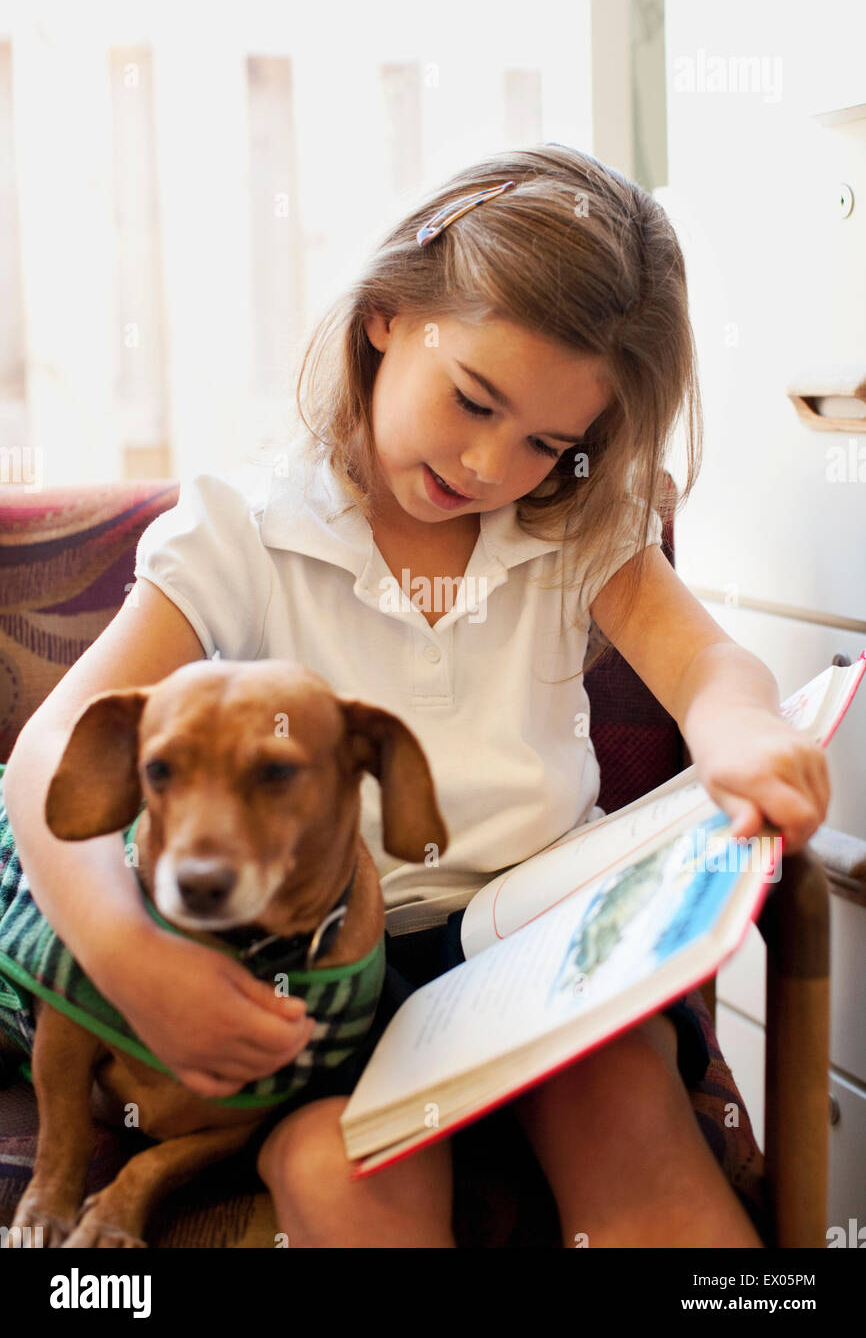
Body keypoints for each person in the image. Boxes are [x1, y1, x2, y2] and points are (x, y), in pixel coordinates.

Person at [2, 144, 829, 1249]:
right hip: (321, 982)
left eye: (546, 441)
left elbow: (709, 667)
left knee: (625, 1117)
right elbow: (52, 746)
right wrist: (129, 955)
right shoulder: (243, 529)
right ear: (386, 315)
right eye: (473, 400)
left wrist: (736, 735)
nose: (490, 464)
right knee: (332, 1166)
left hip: (542, 959)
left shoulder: (572, 531)